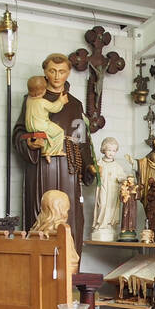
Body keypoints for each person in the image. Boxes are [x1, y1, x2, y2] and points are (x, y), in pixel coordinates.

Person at [15, 53, 93, 250]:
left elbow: (81, 138)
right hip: (42, 165)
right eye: (52, 71)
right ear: (45, 72)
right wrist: (29, 143)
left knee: (71, 214)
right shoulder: (31, 99)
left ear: (68, 73)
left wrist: (89, 165)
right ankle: (38, 263)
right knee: (42, 212)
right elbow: (18, 132)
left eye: (62, 71)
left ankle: (71, 268)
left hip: (69, 166)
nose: (57, 76)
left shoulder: (74, 104)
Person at [90, 136, 131, 242]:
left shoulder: (117, 166)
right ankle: (100, 225)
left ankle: (108, 225)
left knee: (111, 207)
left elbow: (122, 176)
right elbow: (92, 173)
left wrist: (125, 179)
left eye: (113, 150)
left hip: (113, 190)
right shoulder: (99, 163)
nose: (111, 153)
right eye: (109, 150)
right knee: (102, 204)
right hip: (103, 188)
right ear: (104, 149)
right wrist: (94, 170)